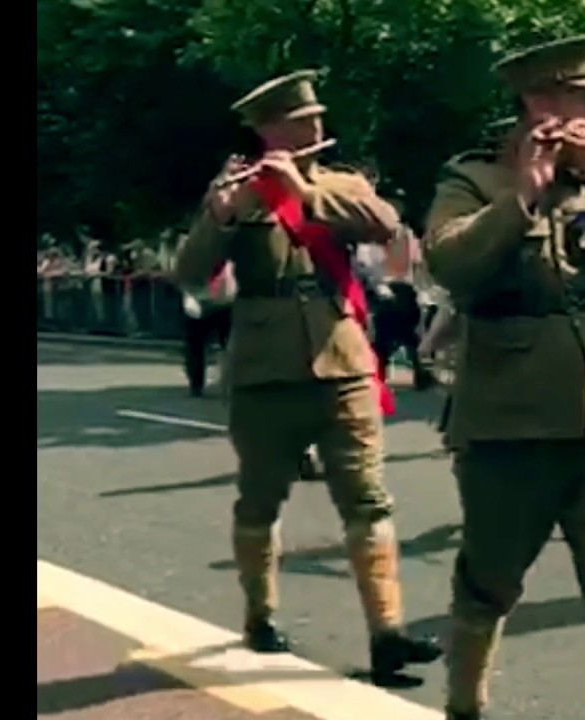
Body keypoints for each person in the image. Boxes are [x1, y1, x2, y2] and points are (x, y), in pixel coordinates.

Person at [423, 36, 585, 720]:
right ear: (539, 100)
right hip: (508, 421)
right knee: (488, 580)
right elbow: (450, 262)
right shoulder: (475, 178)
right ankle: (464, 706)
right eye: (576, 99)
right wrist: (522, 198)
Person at [173, 69, 440, 683]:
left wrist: (303, 191)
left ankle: (387, 634)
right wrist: (225, 216)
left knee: (369, 501)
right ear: (270, 130)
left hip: (341, 361)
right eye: (301, 122)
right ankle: (260, 616)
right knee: (261, 500)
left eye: (317, 118)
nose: (316, 128)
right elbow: (190, 270)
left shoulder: (340, 183)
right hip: (264, 371)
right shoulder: (237, 188)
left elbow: (382, 222)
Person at [181, 260, 235, 397]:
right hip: (223, 301)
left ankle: (197, 383)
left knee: (195, 346)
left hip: (201, 302)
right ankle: (230, 382)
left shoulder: (193, 249)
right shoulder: (227, 248)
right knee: (229, 344)